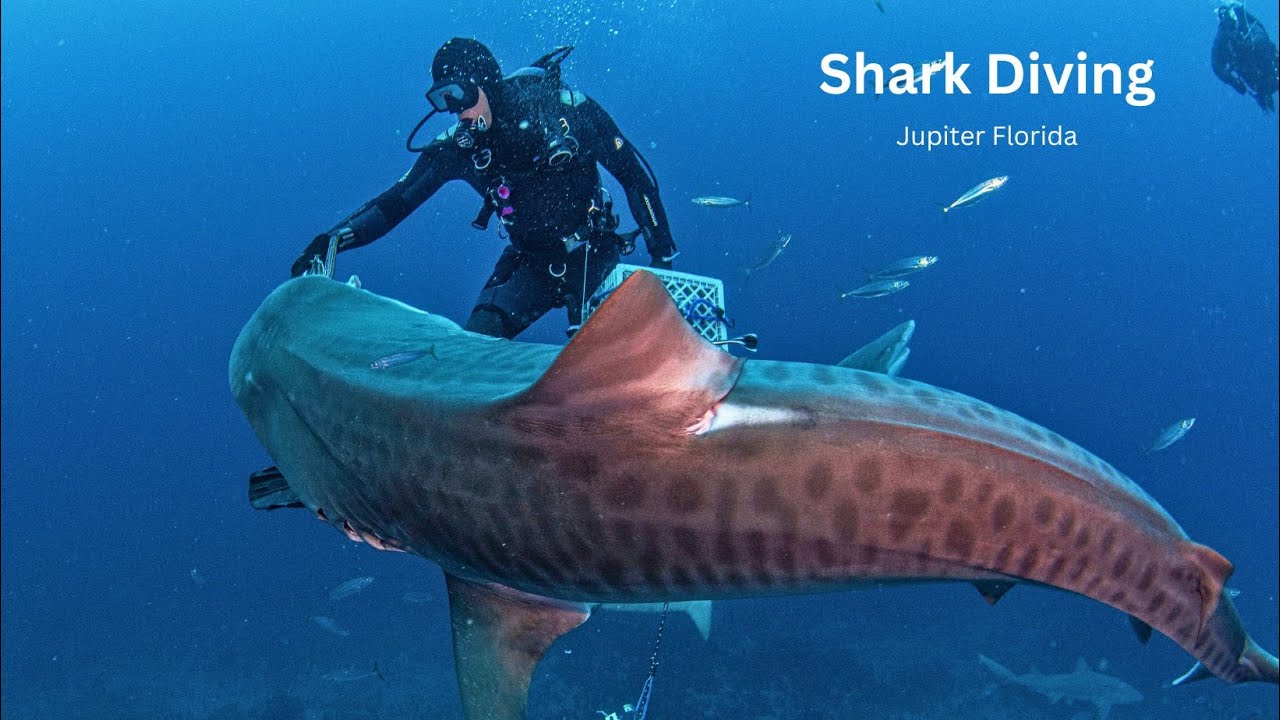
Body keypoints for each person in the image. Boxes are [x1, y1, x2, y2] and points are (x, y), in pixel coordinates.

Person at [291, 38, 680, 339]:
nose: (457, 112)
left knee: (612, 372)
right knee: (475, 348)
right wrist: (332, 240)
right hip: (531, 263)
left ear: (486, 83)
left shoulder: (564, 113)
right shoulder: (461, 147)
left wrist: (661, 257)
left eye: (461, 95)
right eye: (445, 100)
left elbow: (634, 175)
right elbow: (396, 202)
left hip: (594, 252)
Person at [1211, 1, 1279, 112]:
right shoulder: (1246, 22)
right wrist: (1235, 83)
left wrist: (1235, 83)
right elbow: (1262, 34)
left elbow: (1217, 66)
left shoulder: (1223, 38)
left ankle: (1265, 98)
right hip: (1267, 73)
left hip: (1259, 80)